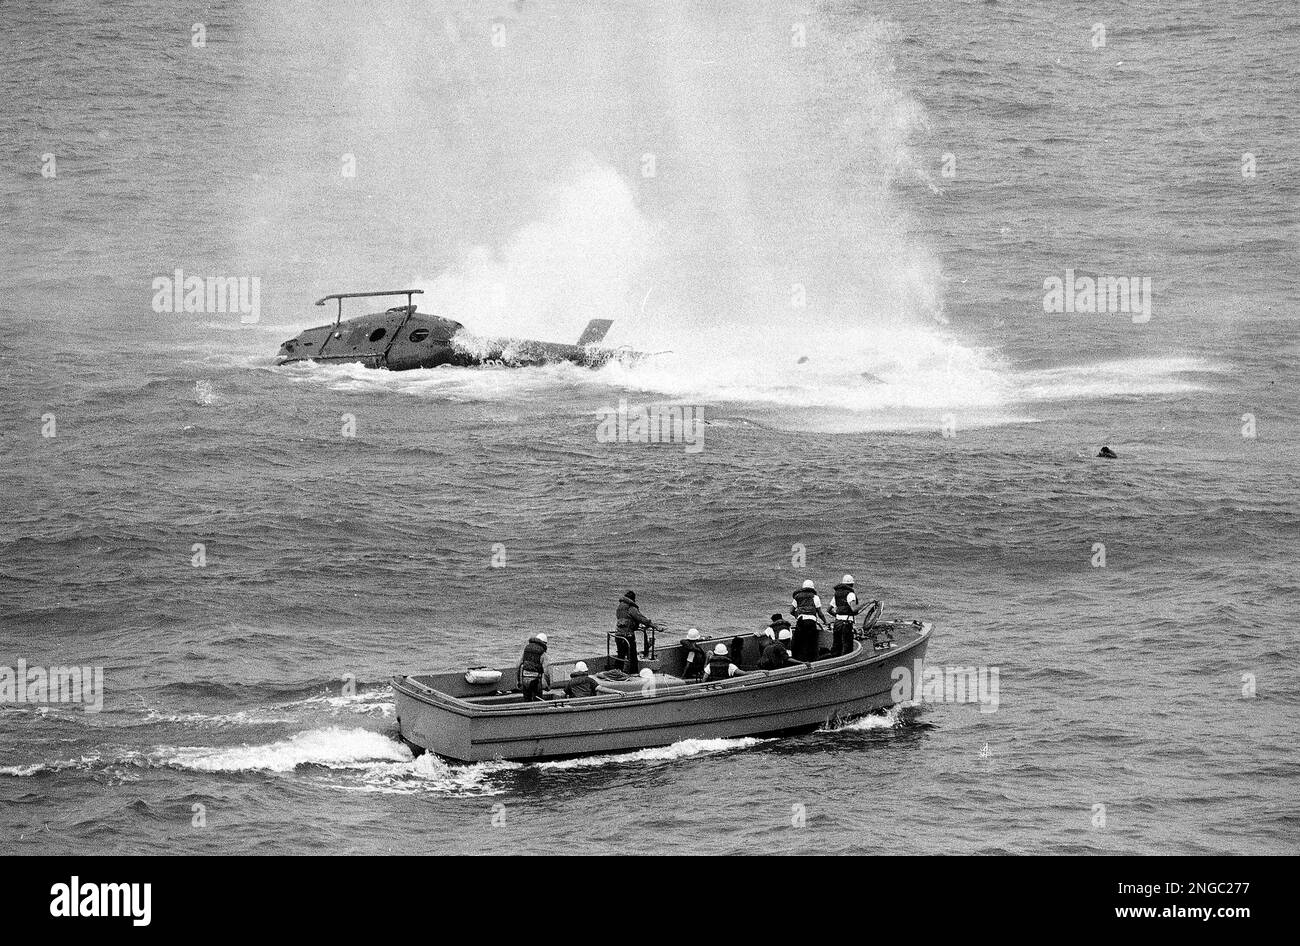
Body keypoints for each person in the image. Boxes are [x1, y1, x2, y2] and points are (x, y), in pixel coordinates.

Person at [615, 590, 658, 674]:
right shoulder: (631, 608)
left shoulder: (620, 607)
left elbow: (625, 620)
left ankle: (616, 673)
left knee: (620, 655)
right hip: (628, 636)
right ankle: (633, 674)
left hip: (618, 635)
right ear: (633, 599)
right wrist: (653, 625)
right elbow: (640, 618)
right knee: (633, 657)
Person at [789, 579, 827, 661]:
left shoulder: (797, 596)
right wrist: (825, 622)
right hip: (811, 622)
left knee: (798, 642)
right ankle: (812, 661)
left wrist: (797, 616)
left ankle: (797, 660)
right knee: (811, 643)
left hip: (801, 621)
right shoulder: (815, 597)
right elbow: (820, 613)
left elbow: (791, 611)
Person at [830, 574, 863, 657]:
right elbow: (854, 609)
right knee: (847, 646)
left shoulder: (837, 594)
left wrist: (838, 616)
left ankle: (834, 663)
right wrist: (866, 603)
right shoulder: (850, 594)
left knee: (837, 645)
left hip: (837, 623)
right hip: (846, 624)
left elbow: (829, 610)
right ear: (851, 585)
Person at [517, 632, 551, 701]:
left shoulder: (526, 649)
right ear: (544, 643)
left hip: (524, 679)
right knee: (538, 701)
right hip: (535, 680)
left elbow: (518, 665)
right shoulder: (542, 653)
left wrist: (519, 681)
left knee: (527, 701)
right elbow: (546, 671)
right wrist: (548, 685)